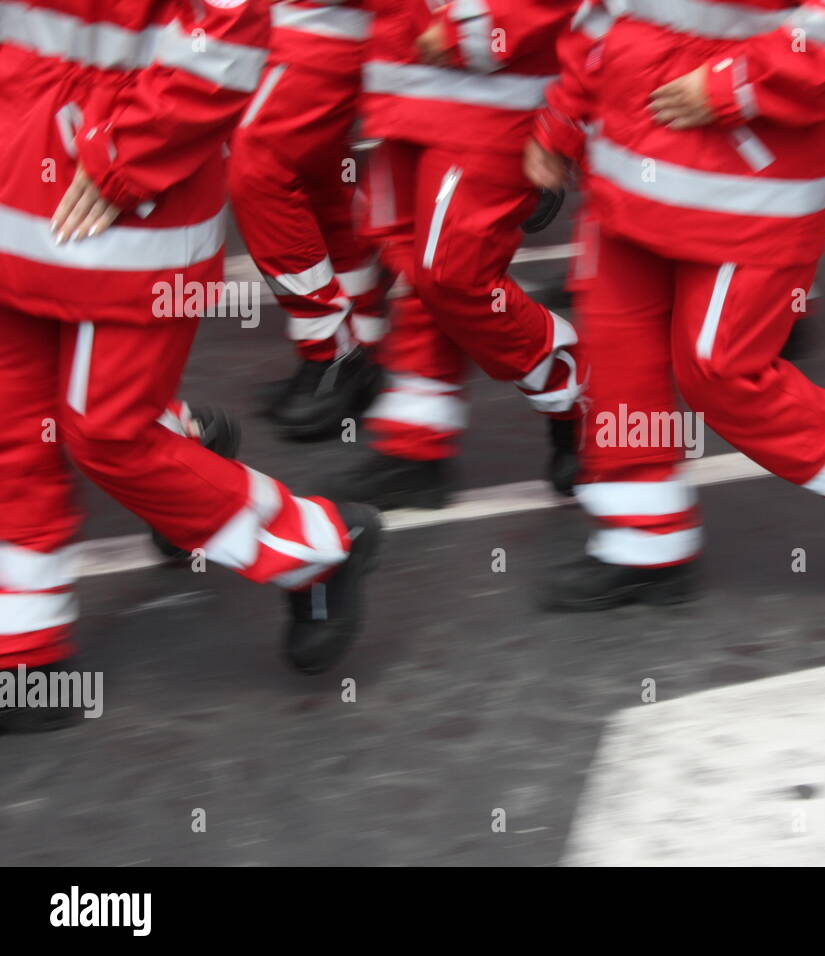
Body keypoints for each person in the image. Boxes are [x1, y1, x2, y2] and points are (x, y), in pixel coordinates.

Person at [0, 0, 381, 732]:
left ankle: (322, 547)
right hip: (25, 182)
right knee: (17, 425)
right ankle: (26, 652)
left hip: (129, 209)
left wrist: (124, 157)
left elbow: (225, 36)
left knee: (107, 434)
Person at [526, 0, 825, 610]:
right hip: (626, 165)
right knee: (619, 355)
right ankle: (645, 542)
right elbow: (599, 13)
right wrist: (562, 120)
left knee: (721, 371)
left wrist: (735, 84)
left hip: (753, 181)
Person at [328, 0, 587, 509]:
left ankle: (578, 390)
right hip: (405, 91)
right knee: (417, 273)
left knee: (453, 275)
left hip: (490, 97)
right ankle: (416, 446)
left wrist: (473, 28)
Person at [228, 0, 387, 440]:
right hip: (304, 22)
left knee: (258, 166)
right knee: (319, 176)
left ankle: (332, 351)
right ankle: (361, 342)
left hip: (318, 23)